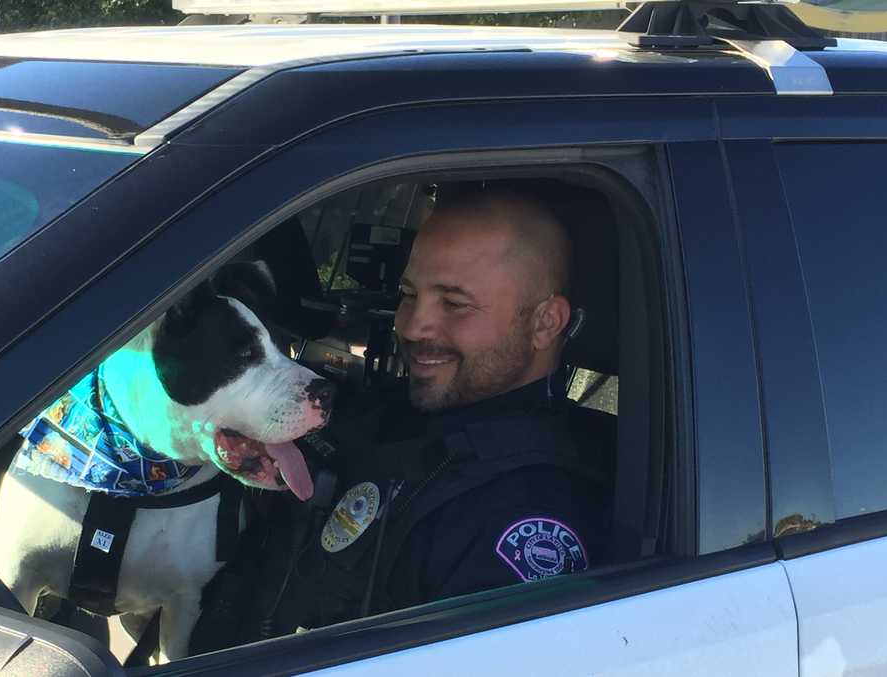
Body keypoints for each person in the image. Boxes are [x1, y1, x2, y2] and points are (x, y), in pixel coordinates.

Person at [190, 186, 612, 652]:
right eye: (409, 295)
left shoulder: (524, 512)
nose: (410, 326)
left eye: (455, 304)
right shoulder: (389, 408)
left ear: (545, 323)